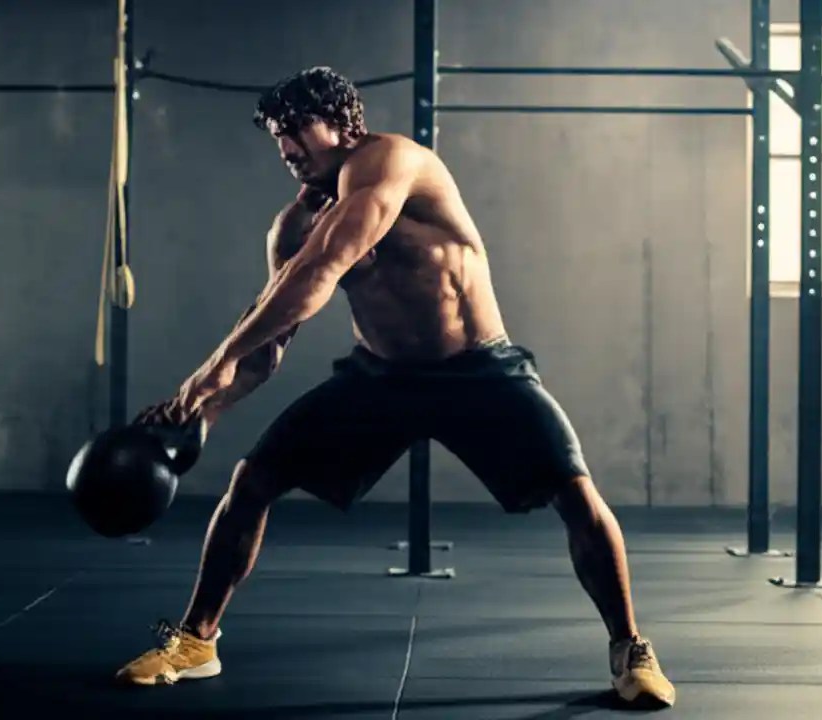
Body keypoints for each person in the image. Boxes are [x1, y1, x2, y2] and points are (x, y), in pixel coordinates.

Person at [119, 66, 676, 708]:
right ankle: (196, 642)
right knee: (253, 481)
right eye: (277, 136)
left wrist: (211, 363)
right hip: (381, 378)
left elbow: (324, 269)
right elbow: (269, 345)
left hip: (478, 371)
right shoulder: (292, 228)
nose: (287, 148)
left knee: (575, 492)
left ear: (342, 123)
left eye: (297, 129)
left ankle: (630, 648)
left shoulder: (392, 163)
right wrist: (202, 411)